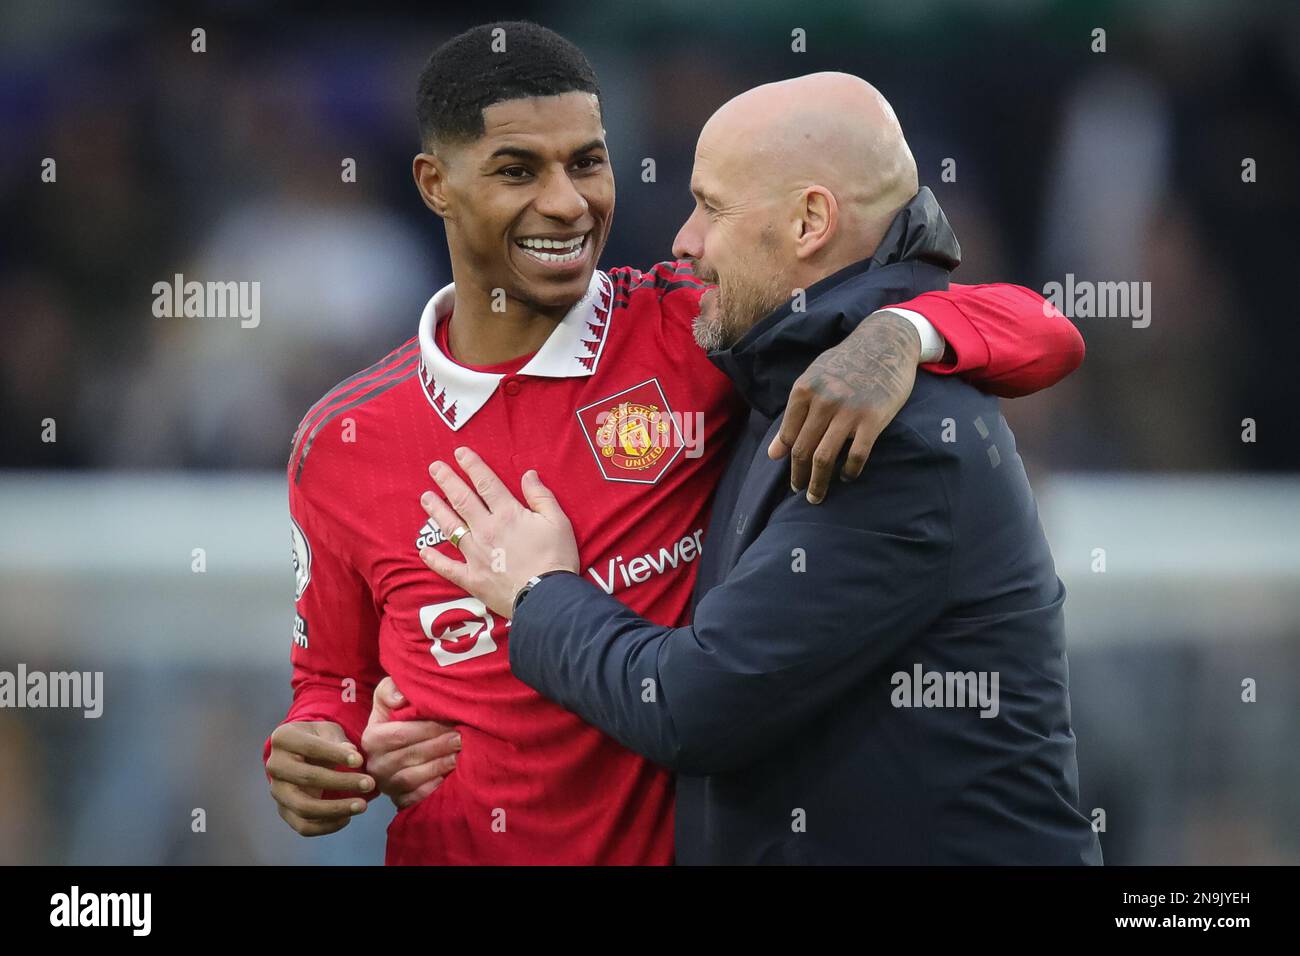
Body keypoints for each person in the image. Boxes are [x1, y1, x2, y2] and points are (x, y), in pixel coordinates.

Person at [264, 23, 1084, 864]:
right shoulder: (343, 442)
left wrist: (905, 333)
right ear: (436, 184)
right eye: (519, 170)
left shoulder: (695, 331)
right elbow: (329, 680)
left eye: (587, 161)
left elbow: (1044, 329)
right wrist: (322, 749)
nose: (567, 202)